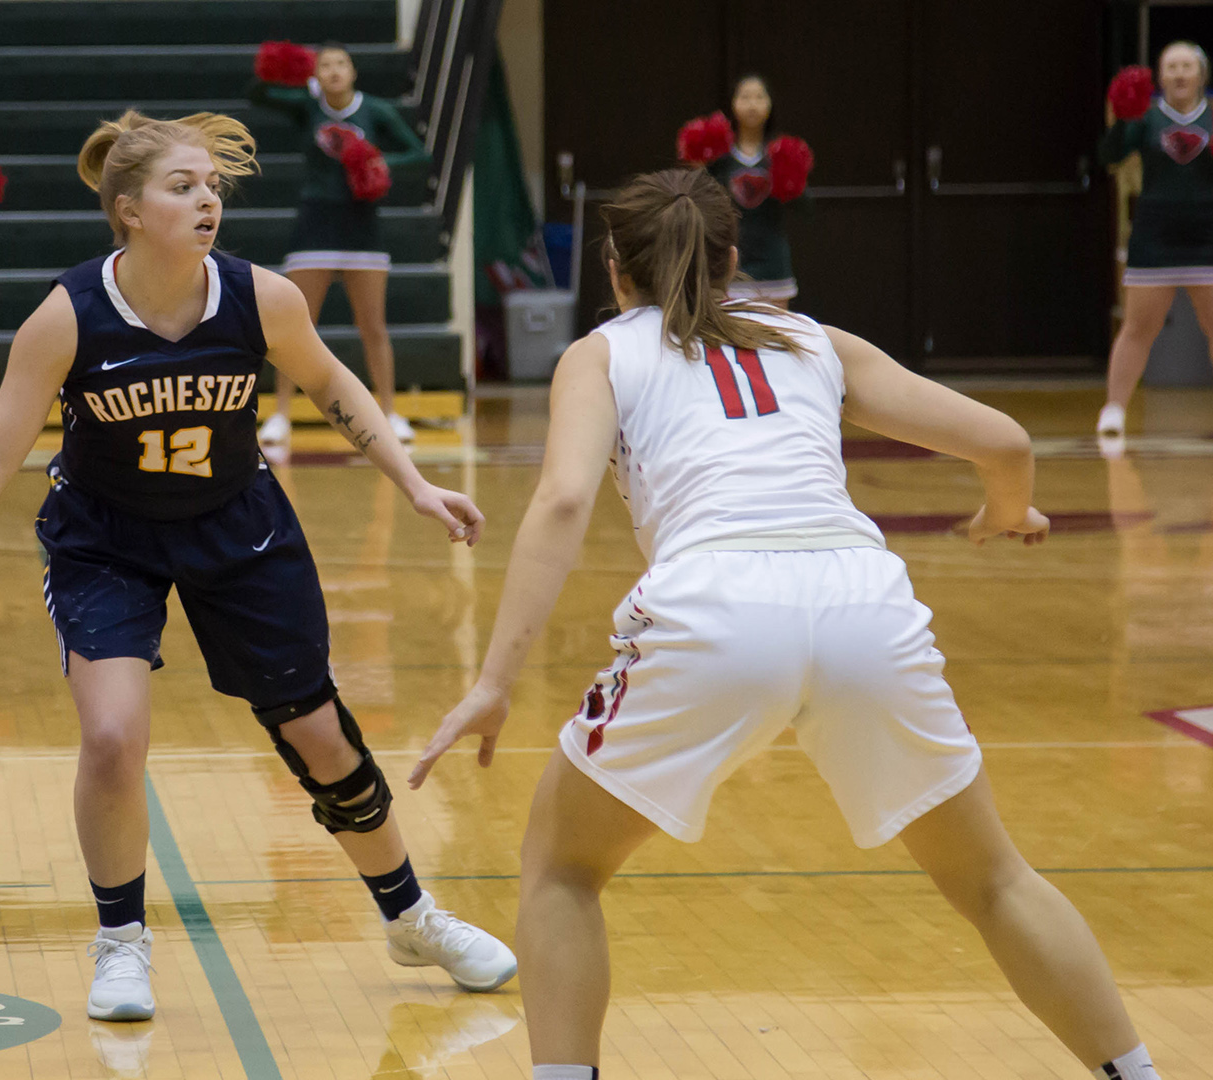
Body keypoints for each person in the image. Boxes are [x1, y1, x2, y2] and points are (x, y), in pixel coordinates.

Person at [409, 168, 1165, 1080]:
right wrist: (1007, 510)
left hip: (712, 608)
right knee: (995, 878)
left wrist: (494, 682)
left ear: (614, 270)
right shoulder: (815, 341)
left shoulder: (604, 353)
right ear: (736, 261)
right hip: (862, 601)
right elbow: (1003, 439)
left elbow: (566, 497)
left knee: (561, 867)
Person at [0, 110, 516, 1022]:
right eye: (184, 185)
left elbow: (332, 383)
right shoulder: (66, 317)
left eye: (213, 185)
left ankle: (412, 916)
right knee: (111, 736)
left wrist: (414, 484)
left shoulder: (263, 297)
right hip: (106, 539)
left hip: (239, 528)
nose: (208, 198)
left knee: (320, 738)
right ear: (130, 209)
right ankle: (121, 944)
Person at [247, 43, 430, 448]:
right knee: (296, 325)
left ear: (353, 72)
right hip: (314, 223)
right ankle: (280, 415)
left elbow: (418, 154)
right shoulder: (307, 106)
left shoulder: (375, 110)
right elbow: (257, 95)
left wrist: (380, 163)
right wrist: (284, 72)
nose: (333, 71)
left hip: (361, 224)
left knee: (373, 326)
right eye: (325, 65)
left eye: (341, 63)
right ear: (317, 73)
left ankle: (390, 413)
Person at [1097, 40, 1213, 437]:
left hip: (1207, 239)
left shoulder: (1212, 117)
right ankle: (1113, 410)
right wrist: (1120, 122)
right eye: (1171, 66)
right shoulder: (1145, 118)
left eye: (1187, 66)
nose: (1179, 73)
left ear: (1201, 75)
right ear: (1160, 77)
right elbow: (1109, 157)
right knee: (1136, 329)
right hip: (1155, 238)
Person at [686, 74, 806, 307]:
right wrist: (698, 166)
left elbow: (806, 208)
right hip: (730, 264)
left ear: (770, 104)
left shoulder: (781, 153)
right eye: (745, 97)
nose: (752, 104)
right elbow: (699, 200)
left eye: (759, 97)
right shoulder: (719, 156)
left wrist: (794, 181)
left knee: (776, 339)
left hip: (773, 267)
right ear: (732, 103)